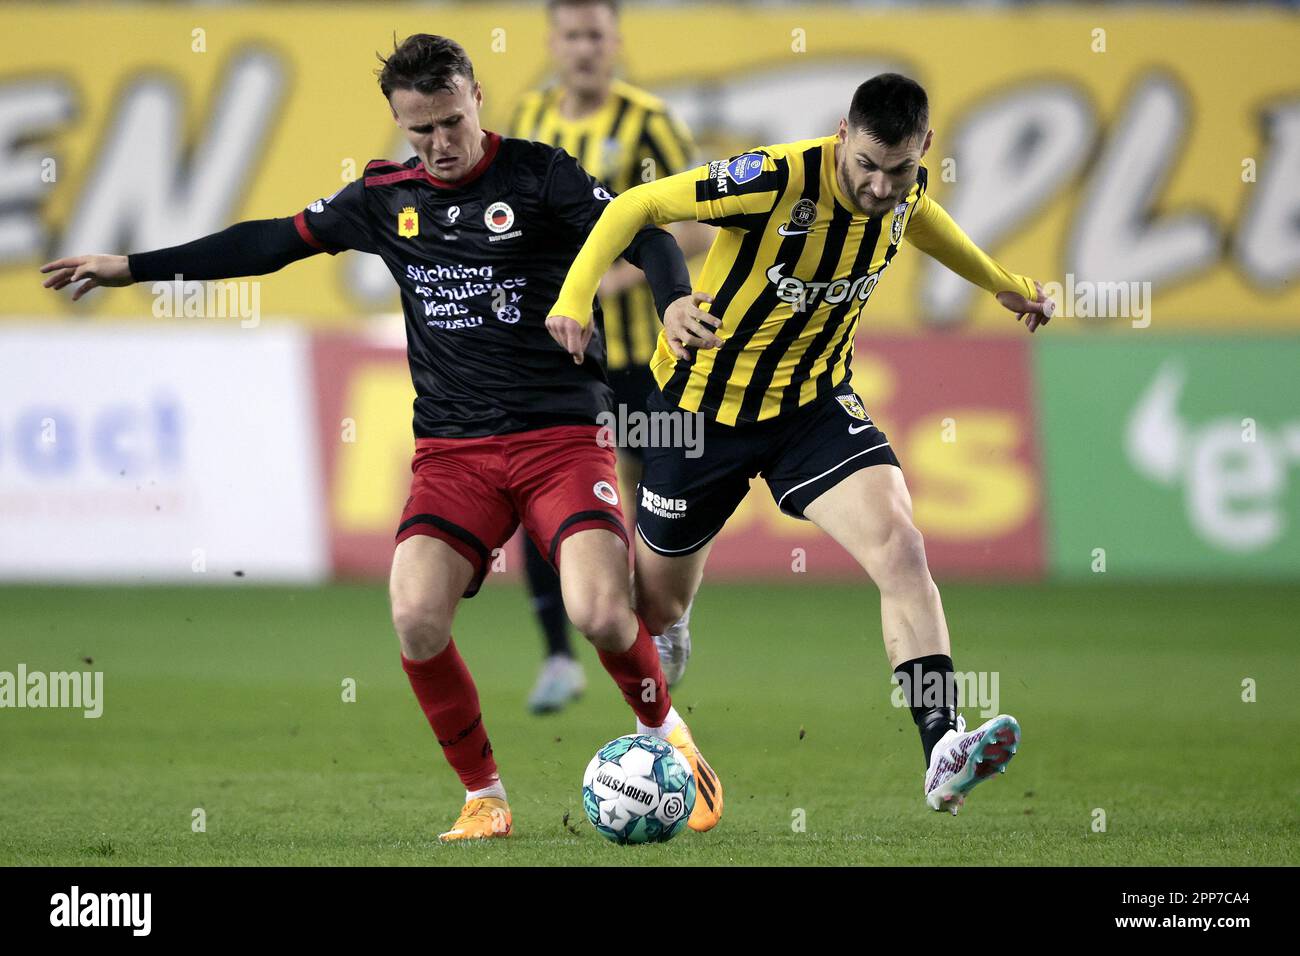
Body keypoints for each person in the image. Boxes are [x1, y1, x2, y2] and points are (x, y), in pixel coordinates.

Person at [41, 33, 723, 839]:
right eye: (418, 129)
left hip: (559, 438)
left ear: (476, 97)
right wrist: (136, 266)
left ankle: (667, 741)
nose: (437, 145)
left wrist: (674, 296)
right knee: (415, 616)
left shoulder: (542, 175)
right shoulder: (382, 196)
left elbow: (642, 232)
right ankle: (484, 798)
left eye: (449, 122)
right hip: (451, 453)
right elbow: (268, 242)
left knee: (603, 614)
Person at [546, 73, 1054, 814]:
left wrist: (1000, 282)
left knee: (901, 545)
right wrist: (573, 297)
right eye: (866, 168)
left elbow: (925, 219)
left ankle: (941, 742)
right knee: (651, 615)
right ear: (843, 134)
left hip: (811, 405)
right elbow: (637, 205)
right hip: (699, 412)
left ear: (925, 150)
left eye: (899, 170)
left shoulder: (903, 189)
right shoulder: (775, 177)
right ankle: (664, 686)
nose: (880, 188)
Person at [509, 0, 712, 711]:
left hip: (638, 356)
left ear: (616, 41)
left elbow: (694, 231)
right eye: (573, 35)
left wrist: (601, 278)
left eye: (597, 35)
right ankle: (560, 657)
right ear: (553, 42)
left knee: (648, 493)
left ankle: (665, 614)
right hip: (558, 353)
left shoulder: (649, 123)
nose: (585, 48)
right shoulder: (528, 122)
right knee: (541, 492)